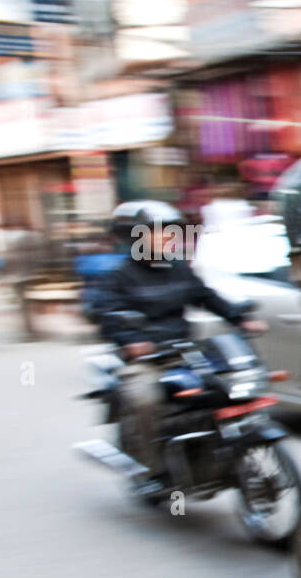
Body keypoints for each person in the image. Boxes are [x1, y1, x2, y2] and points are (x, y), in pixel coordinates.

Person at [88, 202, 267, 487]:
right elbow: (105, 313)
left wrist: (240, 318)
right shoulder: (118, 277)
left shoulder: (178, 269)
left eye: (169, 233)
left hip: (184, 352)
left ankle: (220, 453)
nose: (166, 238)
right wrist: (131, 341)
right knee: (144, 397)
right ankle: (151, 468)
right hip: (146, 361)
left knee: (226, 386)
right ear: (137, 237)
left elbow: (206, 296)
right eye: (158, 233)